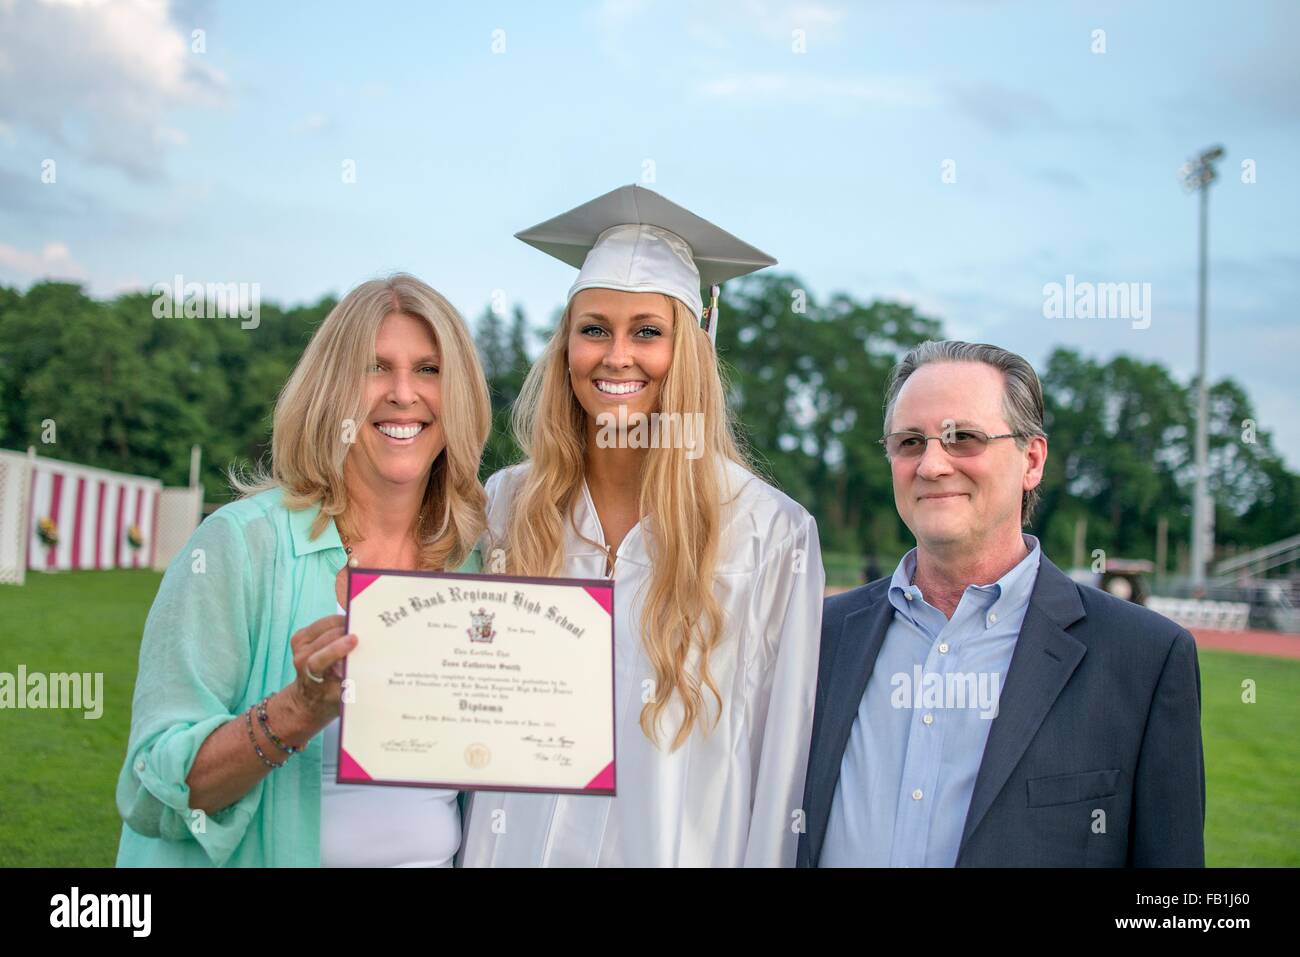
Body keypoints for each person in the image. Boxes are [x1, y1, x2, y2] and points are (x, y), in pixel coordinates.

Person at [461, 185, 825, 866]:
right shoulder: (510, 504)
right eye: (593, 327)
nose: (616, 355)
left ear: (687, 351)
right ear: (565, 346)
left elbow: (781, 773)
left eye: (647, 331)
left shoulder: (768, 533)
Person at [115, 274, 491, 866]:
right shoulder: (239, 546)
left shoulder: (477, 567)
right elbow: (152, 790)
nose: (402, 393)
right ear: (332, 391)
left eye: (428, 369)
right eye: (375, 368)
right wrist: (298, 710)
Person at [799, 340, 1205, 867]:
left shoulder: (1144, 659)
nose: (932, 465)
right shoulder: (818, 638)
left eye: (962, 438)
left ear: (1032, 460)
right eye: (909, 442)